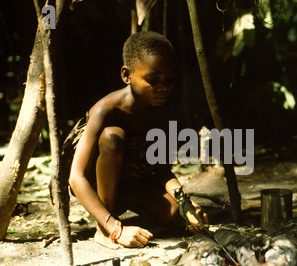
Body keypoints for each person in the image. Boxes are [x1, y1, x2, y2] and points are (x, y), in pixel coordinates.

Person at [68, 31, 208, 250]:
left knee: (175, 214)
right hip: (98, 188)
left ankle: (124, 209)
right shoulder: (105, 110)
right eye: (152, 80)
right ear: (127, 75)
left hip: (133, 187)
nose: (163, 87)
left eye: (169, 80)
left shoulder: (166, 112)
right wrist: (115, 228)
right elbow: (76, 178)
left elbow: (163, 172)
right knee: (113, 137)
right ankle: (102, 229)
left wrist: (186, 203)